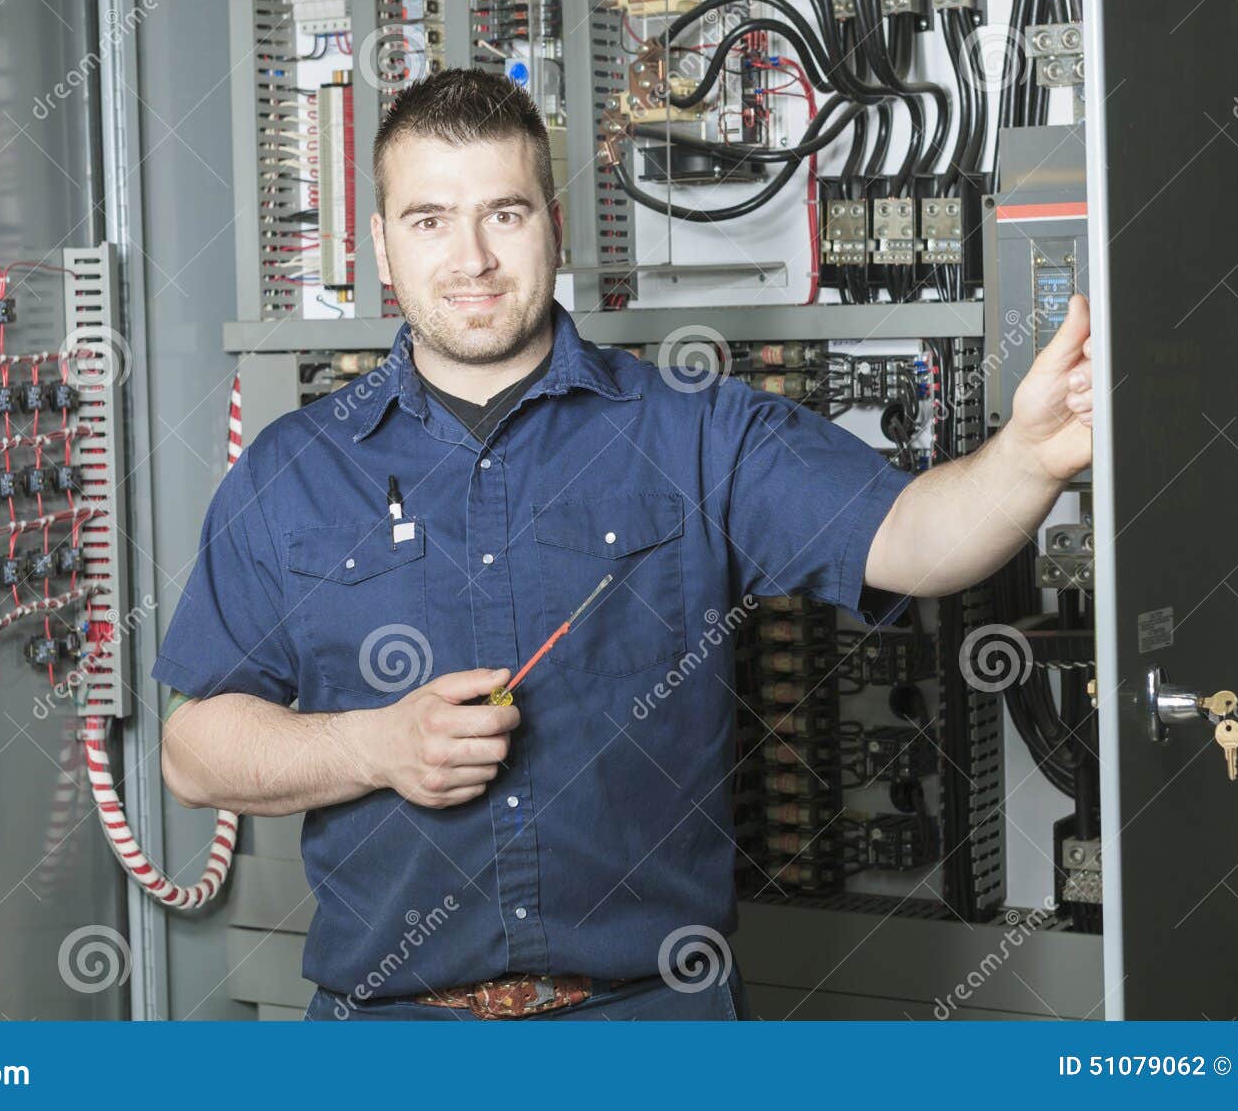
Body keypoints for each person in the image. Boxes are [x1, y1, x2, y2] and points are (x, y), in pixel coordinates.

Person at [152, 69, 1094, 1020]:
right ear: (382, 248)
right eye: (430, 219)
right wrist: (376, 745)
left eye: (505, 213)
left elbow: (915, 538)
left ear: (554, 227)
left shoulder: (693, 430)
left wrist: (1027, 458)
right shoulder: (293, 469)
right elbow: (196, 751)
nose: (471, 257)